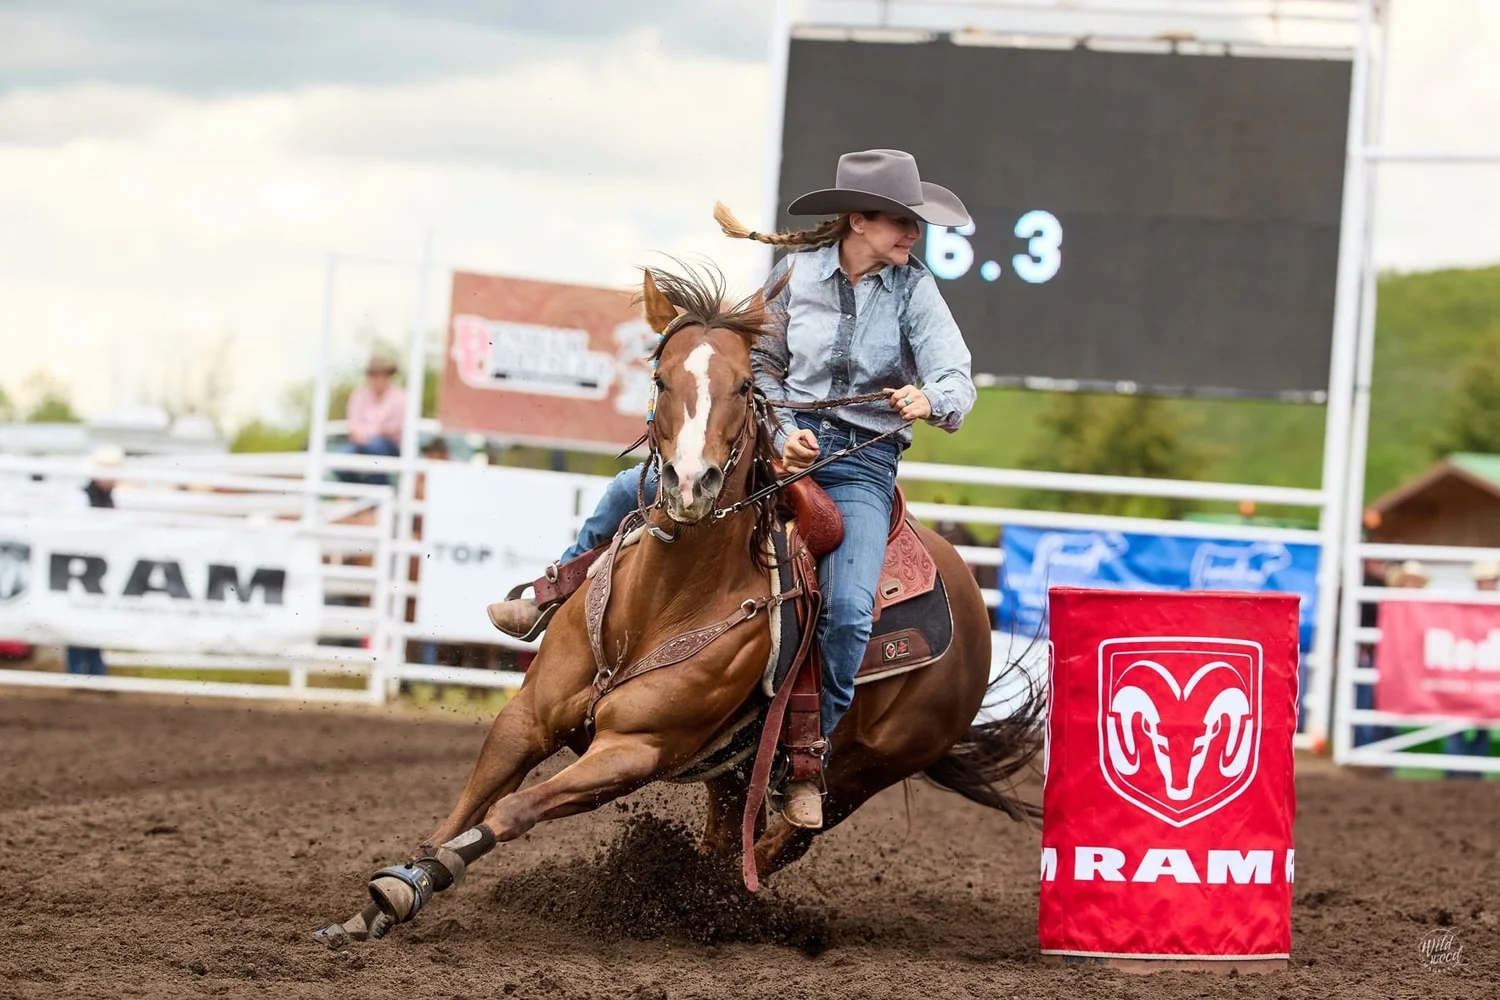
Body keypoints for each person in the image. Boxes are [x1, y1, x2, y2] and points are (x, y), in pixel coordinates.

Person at [486, 148, 977, 828]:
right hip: (779, 449)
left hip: (861, 464)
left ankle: (803, 758)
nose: (913, 236)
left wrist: (932, 398)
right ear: (858, 221)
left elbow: (957, 374)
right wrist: (780, 435)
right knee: (631, 489)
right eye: (902, 221)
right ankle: (555, 588)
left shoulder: (915, 291)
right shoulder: (794, 279)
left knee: (849, 612)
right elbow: (757, 366)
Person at [64, 445, 123, 675]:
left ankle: (94, 670)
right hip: (79, 568)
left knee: (94, 618)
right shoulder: (79, 497)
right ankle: (80, 670)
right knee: (79, 618)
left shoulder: (110, 498)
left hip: (98, 568)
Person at [338, 355, 406, 486]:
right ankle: (363, 492)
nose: (378, 379)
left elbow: (394, 428)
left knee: (376, 446)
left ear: (388, 376)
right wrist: (367, 435)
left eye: (382, 375)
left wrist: (367, 434)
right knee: (342, 457)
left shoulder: (400, 397)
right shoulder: (359, 395)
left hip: (390, 446)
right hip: (363, 443)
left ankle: (381, 491)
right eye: (374, 375)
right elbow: (353, 424)